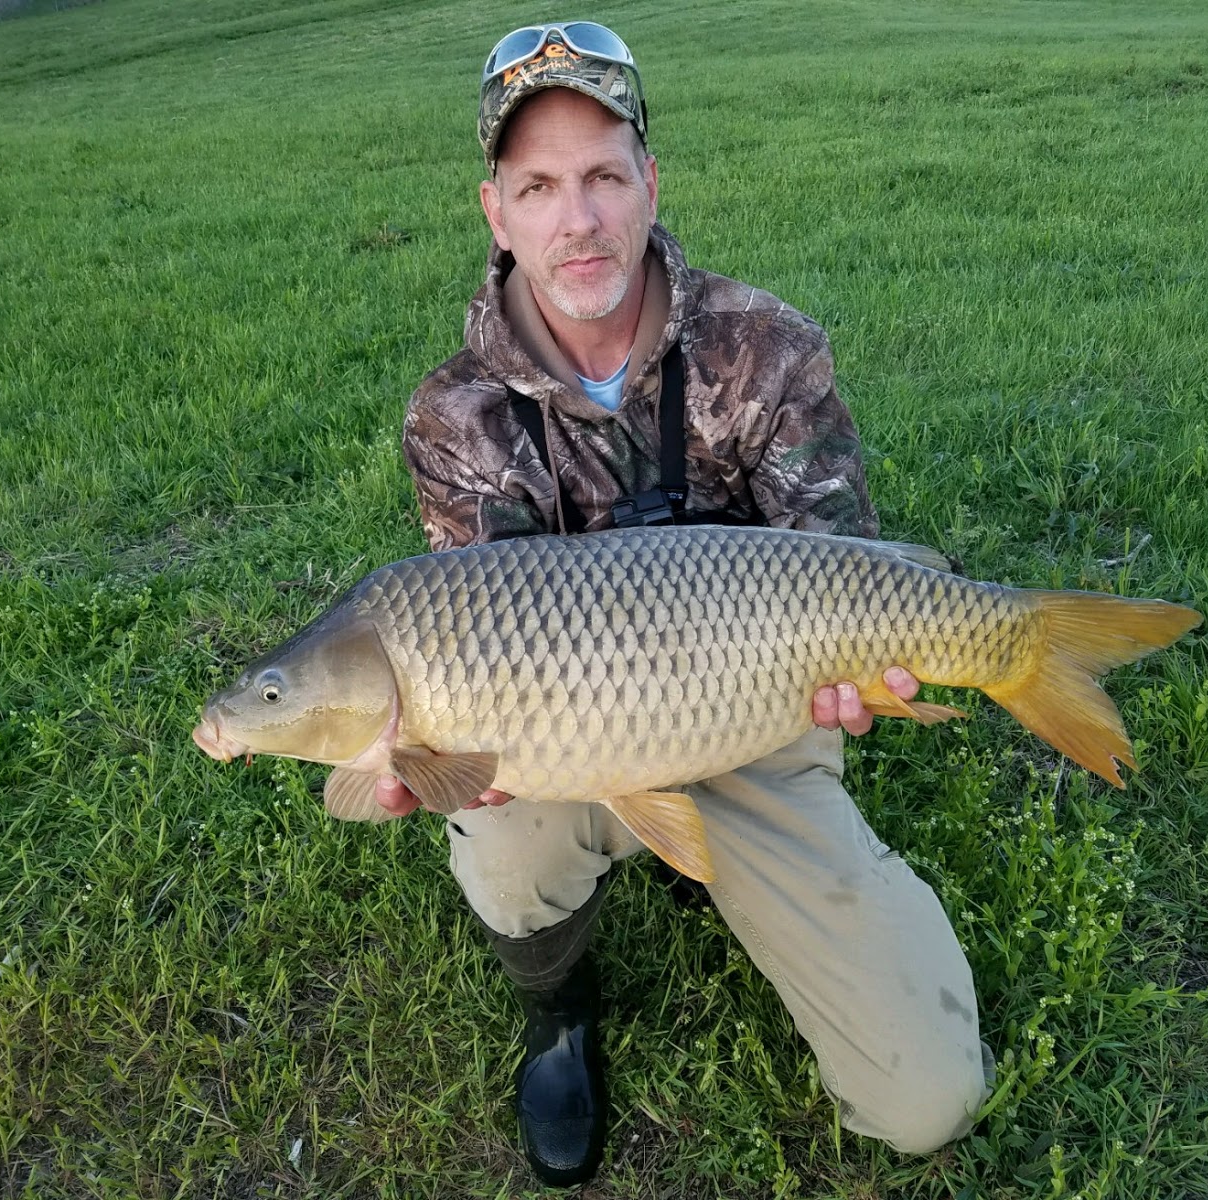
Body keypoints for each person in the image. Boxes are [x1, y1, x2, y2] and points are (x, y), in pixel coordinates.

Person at [384, 22, 991, 1186]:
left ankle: (781, 865)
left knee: (927, 1101)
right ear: (494, 210)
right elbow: (479, 626)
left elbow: (841, 566)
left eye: (606, 175)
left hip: (757, 718)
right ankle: (556, 1012)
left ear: (650, 182)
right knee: (505, 837)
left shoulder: (763, 348)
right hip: (566, 741)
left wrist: (871, 675)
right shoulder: (455, 413)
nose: (581, 219)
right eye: (541, 186)